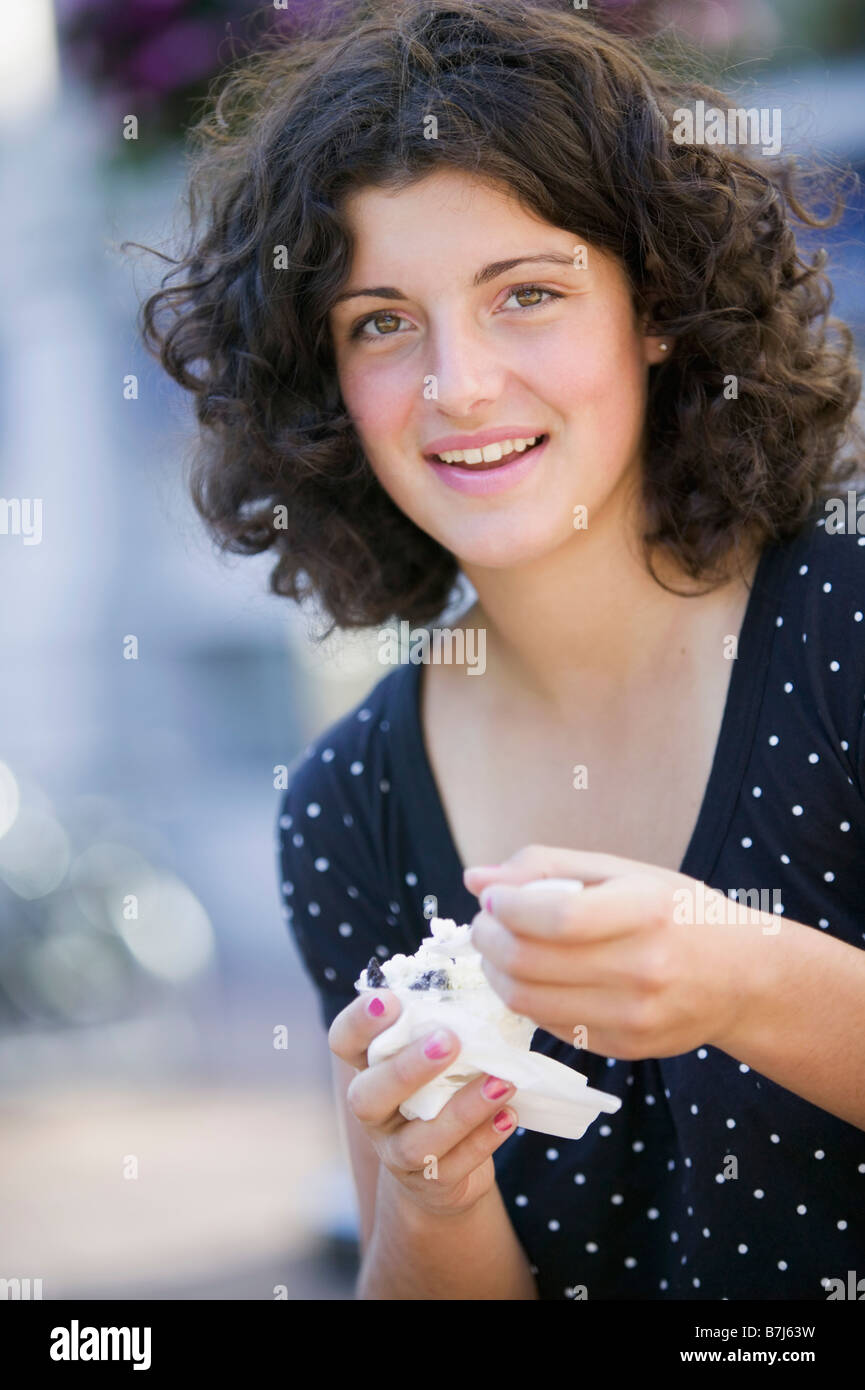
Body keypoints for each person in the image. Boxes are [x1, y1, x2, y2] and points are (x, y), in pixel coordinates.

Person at [139, 0, 865, 1300]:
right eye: (380, 322)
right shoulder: (346, 803)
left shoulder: (845, 632)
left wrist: (749, 980)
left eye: (526, 294)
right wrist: (433, 1187)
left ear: (655, 306)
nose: (457, 384)